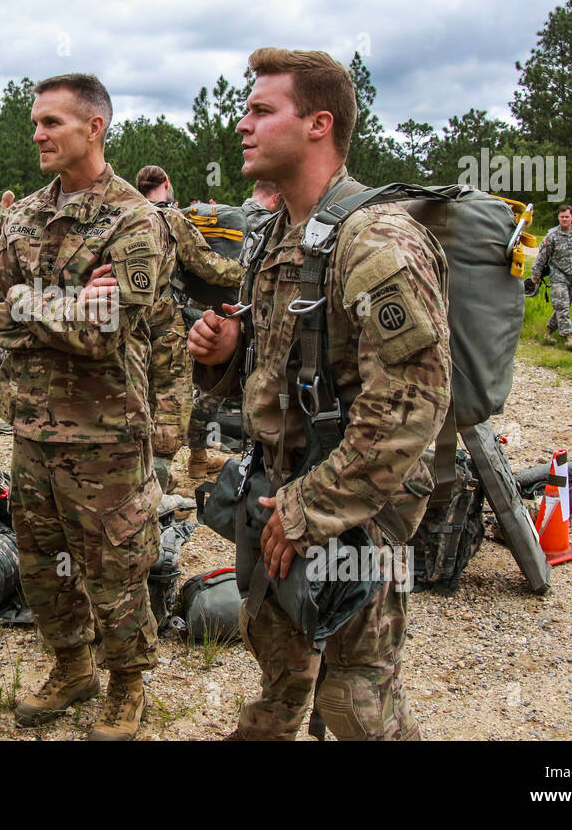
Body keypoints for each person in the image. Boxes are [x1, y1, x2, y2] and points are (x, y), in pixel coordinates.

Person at [189, 48, 450, 740]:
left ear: (317, 124)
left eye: (261, 110)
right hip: (283, 489)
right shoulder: (277, 235)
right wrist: (224, 356)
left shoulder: (377, 242)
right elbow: (284, 361)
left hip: (356, 504)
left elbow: (411, 406)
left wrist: (311, 508)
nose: (242, 124)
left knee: (357, 703)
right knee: (277, 655)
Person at [0, 73, 173, 741]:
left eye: (52, 122)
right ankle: (71, 667)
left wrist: (27, 306)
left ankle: (127, 684)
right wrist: (56, 305)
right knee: (41, 562)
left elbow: (104, 332)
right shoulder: (23, 214)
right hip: (32, 426)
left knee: (116, 566)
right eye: (36, 121)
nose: (37, 133)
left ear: (95, 128)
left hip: (106, 432)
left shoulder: (135, 219)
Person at [133, 165, 242, 488]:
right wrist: (246, 274)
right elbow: (208, 266)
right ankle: (161, 477)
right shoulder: (172, 219)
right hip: (162, 323)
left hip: (122, 322)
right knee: (171, 397)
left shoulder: (123, 215)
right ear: (167, 183)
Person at [184, 179, 282, 487]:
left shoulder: (231, 218)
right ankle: (250, 467)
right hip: (251, 319)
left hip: (210, 315)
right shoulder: (273, 224)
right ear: (277, 198)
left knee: (208, 394)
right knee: (256, 390)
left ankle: (198, 456)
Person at [528, 203, 572, 350]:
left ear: (571, 217)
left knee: (563, 306)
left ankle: (549, 332)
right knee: (562, 306)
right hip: (557, 276)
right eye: (562, 217)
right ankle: (568, 338)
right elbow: (541, 258)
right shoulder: (552, 236)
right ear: (558, 217)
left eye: (567, 217)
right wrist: (535, 276)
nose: (564, 219)